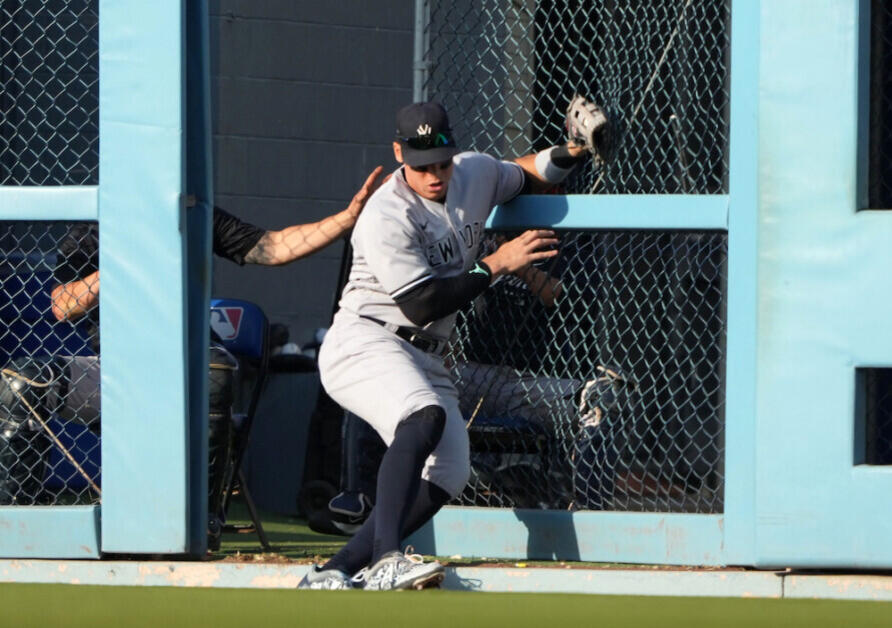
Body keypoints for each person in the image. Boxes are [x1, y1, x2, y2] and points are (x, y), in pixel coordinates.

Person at [301, 100, 594, 591]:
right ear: (399, 154)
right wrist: (496, 263)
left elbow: (527, 174)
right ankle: (387, 558)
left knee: (450, 470)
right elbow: (422, 304)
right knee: (422, 416)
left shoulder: (474, 172)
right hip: (367, 338)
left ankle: (335, 570)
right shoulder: (386, 214)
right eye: (422, 166)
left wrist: (574, 148)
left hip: (427, 354)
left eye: (442, 162)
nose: (435, 175)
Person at [0, 168, 383, 541]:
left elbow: (274, 247)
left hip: (185, 368)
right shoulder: (95, 230)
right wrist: (122, 261)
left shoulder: (194, 216)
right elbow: (63, 305)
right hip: (113, 373)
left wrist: (346, 219)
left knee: (216, 369)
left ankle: (202, 522)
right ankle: (21, 523)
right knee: (21, 383)